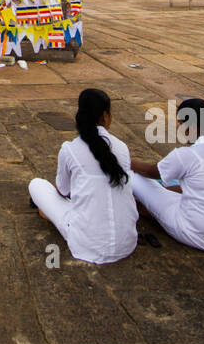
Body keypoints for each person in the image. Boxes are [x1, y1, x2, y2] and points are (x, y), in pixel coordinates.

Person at [28, 87, 138, 264]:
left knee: (36, 185)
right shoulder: (122, 148)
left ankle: (51, 214)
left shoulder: (70, 149)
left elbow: (63, 192)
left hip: (88, 244)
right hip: (127, 243)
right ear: (106, 115)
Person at [129, 98, 204, 254]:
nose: (183, 132)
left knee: (135, 177)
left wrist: (124, 160)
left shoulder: (187, 155)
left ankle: (135, 206)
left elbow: (152, 172)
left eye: (182, 125)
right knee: (168, 190)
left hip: (200, 236)